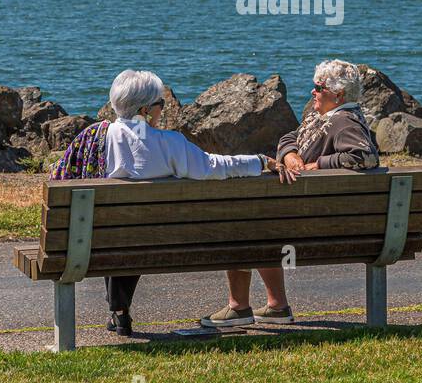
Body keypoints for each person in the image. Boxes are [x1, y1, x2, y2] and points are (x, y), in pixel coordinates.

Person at [51, 69, 275, 336]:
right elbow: (214, 166)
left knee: (120, 229)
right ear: (145, 109)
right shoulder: (171, 144)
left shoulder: (94, 139)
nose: (162, 110)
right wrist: (260, 161)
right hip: (159, 241)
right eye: (160, 104)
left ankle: (119, 312)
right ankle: (119, 309)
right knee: (133, 230)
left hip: (91, 244)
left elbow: (59, 178)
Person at [201, 59, 381, 328]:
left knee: (243, 225)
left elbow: (365, 156)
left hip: (314, 223)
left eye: (318, 87)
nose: (313, 92)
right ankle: (276, 306)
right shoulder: (322, 117)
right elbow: (288, 138)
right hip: (309, 215)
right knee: (258, 223)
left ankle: (240, 306)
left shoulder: (344, 122)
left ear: (338, 94)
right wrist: (291, 154)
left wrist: (318, 164)